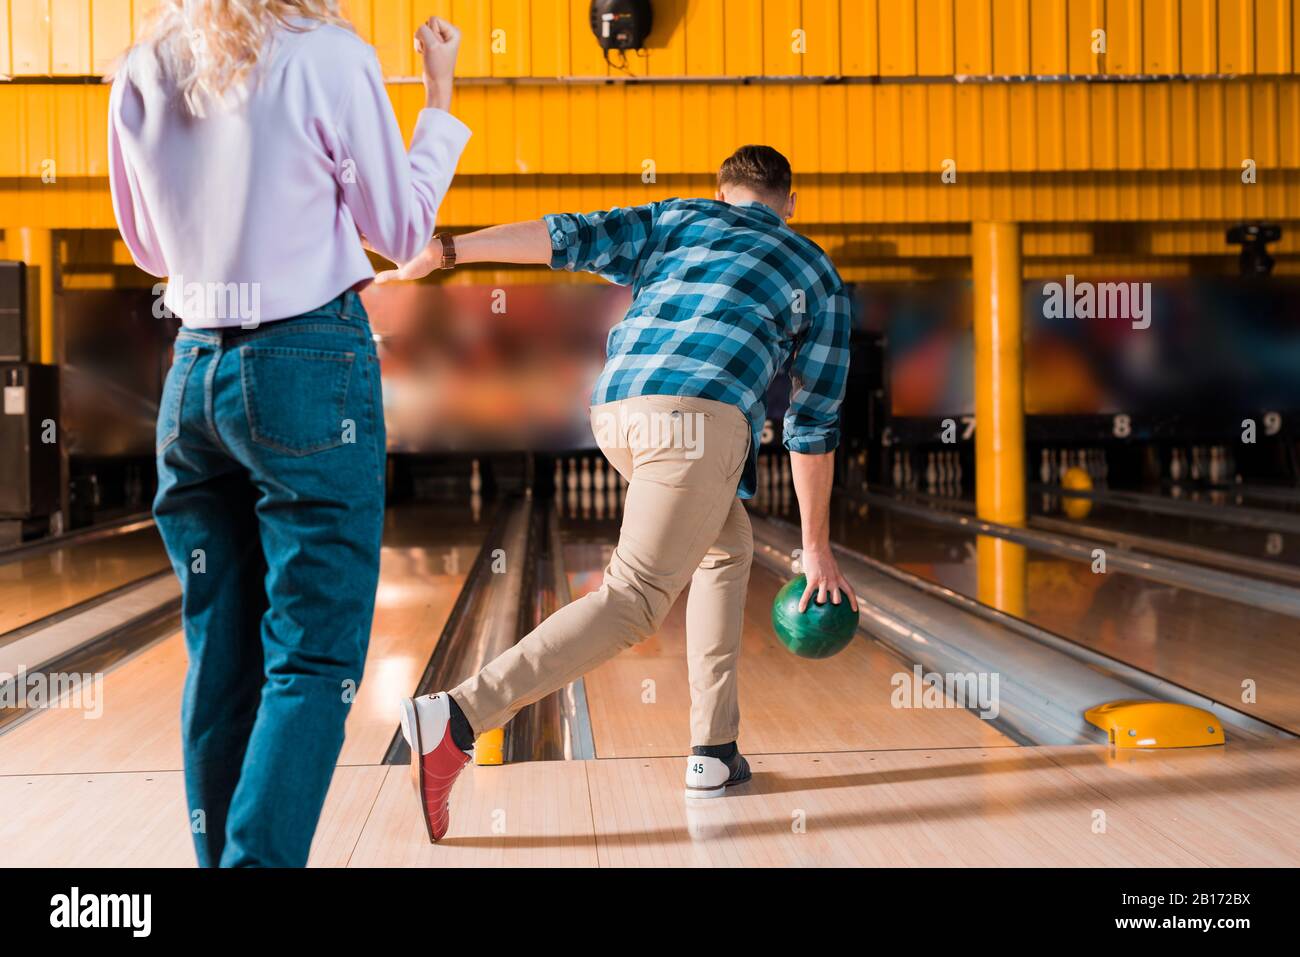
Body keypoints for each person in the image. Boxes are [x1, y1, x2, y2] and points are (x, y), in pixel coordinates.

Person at [381, 145, 857, 843]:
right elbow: (812, 422)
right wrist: (816, 550)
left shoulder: (678, 217)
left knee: (726, 548)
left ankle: (715, 751)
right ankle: (455, 717)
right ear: (790, 202)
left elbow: (560, 236)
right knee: (633, 601)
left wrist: (446, 250)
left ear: (722, 192)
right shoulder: (815, 268)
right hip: (703, 418)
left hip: (618, 411)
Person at [107, 2, 470, 867]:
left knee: (220, 655)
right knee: (311, 657)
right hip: (307, 364)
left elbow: (150, 247)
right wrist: (441, 96)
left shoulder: (145, 63)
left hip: (192, 377)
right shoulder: (330, 55)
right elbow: (401, 231)